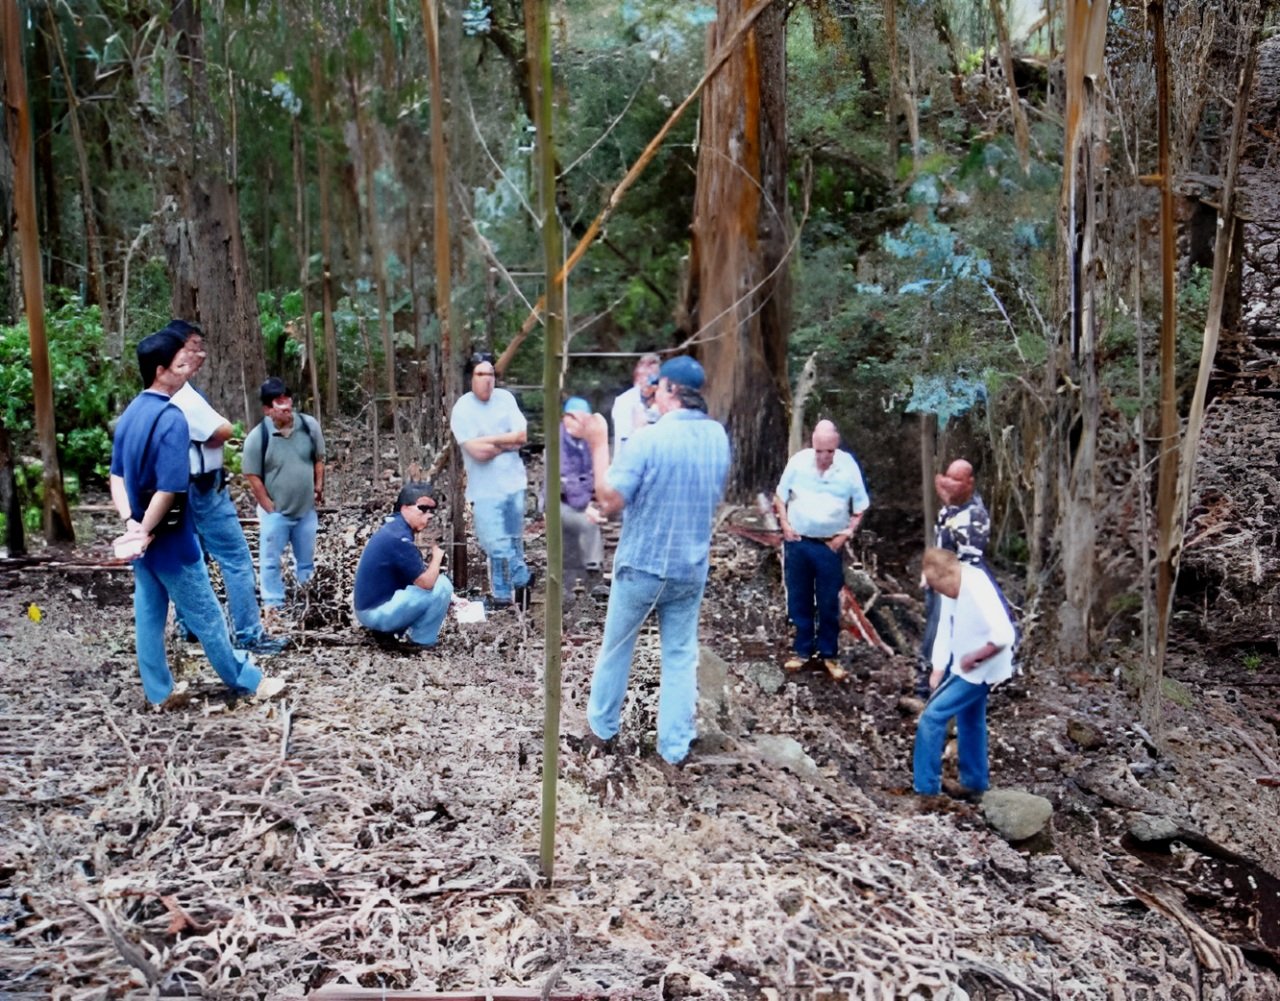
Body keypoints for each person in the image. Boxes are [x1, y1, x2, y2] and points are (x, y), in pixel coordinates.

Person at [564, 355, 730, 765]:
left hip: (643, 563)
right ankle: (674, 749)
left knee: (617, 647)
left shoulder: (649, 439)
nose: (652, 392)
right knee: (679, 656)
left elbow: (609, 499)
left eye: (658, 386)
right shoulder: (718, 437)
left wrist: (599, 442)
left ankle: (602, 733)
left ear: (671, 390)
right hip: (690, 566)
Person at [110, 330, 284, 708]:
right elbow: (170, 488)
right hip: (170, 533)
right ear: (161, 370)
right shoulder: (171, 418)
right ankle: (248, 680)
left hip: (143, 534)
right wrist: (149, 529)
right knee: (206, 614)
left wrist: (132, 525)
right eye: (180, 362)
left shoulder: (130, 413)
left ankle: (158, 691)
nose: (189, 365)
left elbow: (117, 477)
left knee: (149, 615)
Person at [165, 320, 286, 654]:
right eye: (193, 346)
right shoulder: (184, 396)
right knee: (234, 558)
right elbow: (223, 431)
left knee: (192, 556)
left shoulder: (167, 390)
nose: (200, 354)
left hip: (180, 487)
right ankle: (248, 633)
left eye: (202, 347)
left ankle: (189, 626)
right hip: (201, 488)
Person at [912, 547, 1015, 799]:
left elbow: (1004, 635)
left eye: (938, 587)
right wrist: (938, 667)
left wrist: (976, 656)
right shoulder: (951, 584)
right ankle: (975, 784)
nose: (938, 593)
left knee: (932, 717)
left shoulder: (977, 587)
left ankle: (926, 790)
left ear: (947, 575)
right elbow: (945, 629)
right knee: (970, 720)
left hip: (982, 668)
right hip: (964, 664)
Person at [774, 420, 870, 682]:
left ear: (836, 447)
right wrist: (784, 524)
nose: (823, 457)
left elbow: (860, 506)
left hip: (829, 545)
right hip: (798, 542)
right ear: (812, 445)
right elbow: (780, 497)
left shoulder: (847, 466)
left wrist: (845, 534)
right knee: (799, 598)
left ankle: (828, 653)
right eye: (819, 451)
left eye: (829, 451)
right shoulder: (798, 462)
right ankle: (802, 650)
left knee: (828, 601)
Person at [449, 351, 533, 609]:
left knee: (512, 539)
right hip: (485, 487)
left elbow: (521, 436)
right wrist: (502, 441)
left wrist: (489, 440)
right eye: (481, 374)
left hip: (513, 483)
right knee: (493, 541)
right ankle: (519, 579)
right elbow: (477, 452)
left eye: (491, 374)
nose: (487, 380)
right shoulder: (463, 408)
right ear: (471, 378)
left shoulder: (506, 399)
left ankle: (508, 596)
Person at [242, 377, 326, 626]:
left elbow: (319, 458)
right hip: (276, 513)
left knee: (306, 561)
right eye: (279, 403)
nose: (286, 407)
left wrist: (318, 486)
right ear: (268, 409)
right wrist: (268, 506)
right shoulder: (258, 437)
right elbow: (252, 475)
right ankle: (273, 607)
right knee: (270, 562)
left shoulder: (309, 427)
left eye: (288, 401)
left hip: (306, 511)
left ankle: (306, 604)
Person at [917, 459, 991, 699]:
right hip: (938, 580)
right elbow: (940, 542)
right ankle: (929, 680)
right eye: (948, 478)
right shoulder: (950, 509)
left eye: (957, 481)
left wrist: (946, 582)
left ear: (970, 483)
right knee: (934, 630)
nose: (950, 485)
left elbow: (968, 561)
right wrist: (928, 573)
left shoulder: (975, 516)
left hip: (956, 585)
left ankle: (942, 687)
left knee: (949, 633)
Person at [353, 482, 454, 649]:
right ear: (405, 508)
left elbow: (408, 575)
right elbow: (426, 583)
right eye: (422, 508)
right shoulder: (400, 538)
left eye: (431, 511)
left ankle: (387, 631)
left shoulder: (394, 527)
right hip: (375, 613)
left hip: (368, 608)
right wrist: (437, 557)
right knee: (443, 586)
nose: (428, 515)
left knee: (437, 586)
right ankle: (422, 641)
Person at [553, 397, 606, 596]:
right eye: (577, 419)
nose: (582, 424)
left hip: (580, 499)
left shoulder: (584, 441)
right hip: (559, 503)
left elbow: (594, 474)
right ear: (566, 418)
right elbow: (565, 482)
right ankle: (593, 573)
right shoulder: (557, 442)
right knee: (589, 522)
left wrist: (588, 490)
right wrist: (585, 503)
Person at [610, 353, 661, 454]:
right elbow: (623, 439)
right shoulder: (624, 401)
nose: (645, 382)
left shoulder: (665, 399)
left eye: (650, 378)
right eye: (640, 377)